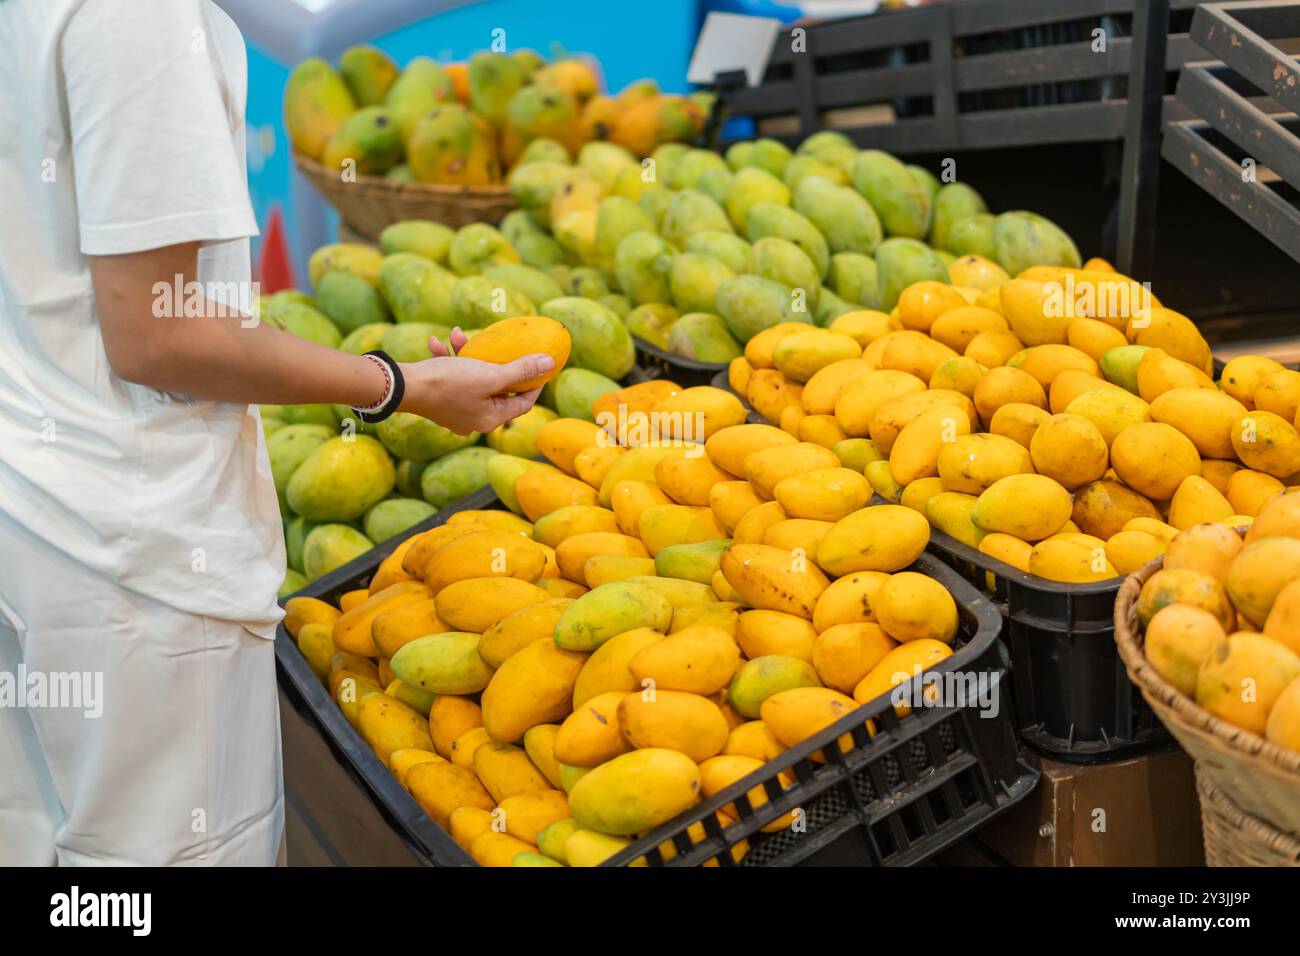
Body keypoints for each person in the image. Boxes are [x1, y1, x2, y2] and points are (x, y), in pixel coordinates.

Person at [0, 0, 550, 865]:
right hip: (137, 561)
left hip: (40, 515)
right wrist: (400, 384)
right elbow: (158, 333)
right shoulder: (142, 18)